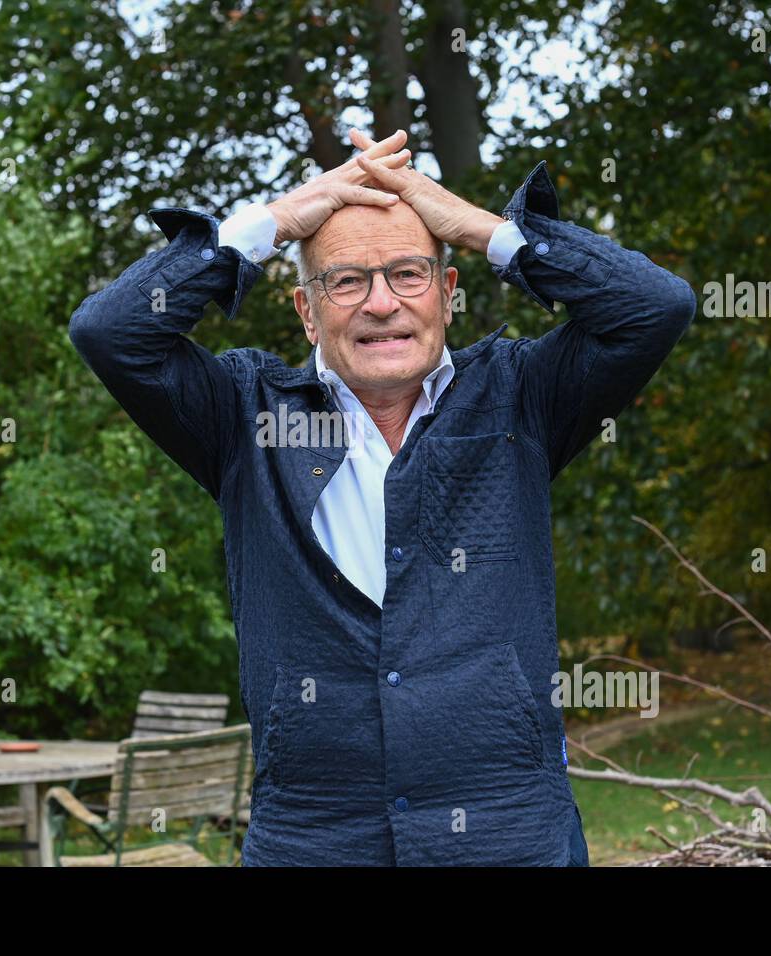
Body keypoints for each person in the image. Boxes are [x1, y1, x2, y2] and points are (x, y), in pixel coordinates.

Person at [68, 127, 695, 865]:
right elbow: (110, 331)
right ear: (307, 311)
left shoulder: (519, 395)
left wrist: (481, 229)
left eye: (408, 274)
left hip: (507, 832)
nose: (381, 304)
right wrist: (278, 219)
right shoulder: (245, 416)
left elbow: (654, 306)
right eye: (345, 281)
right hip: (313, 836)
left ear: (448, 294)